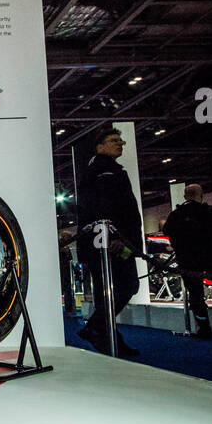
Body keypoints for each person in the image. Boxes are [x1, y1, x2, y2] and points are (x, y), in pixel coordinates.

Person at [75, 126, 143, 356]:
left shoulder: (110, 170)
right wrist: (115, 238)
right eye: (114, 140)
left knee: (116, 289)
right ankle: (98, 328)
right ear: (100, 146)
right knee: (125, 286)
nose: (120, 144)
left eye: (120, 141)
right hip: (109, 242)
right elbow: (101, 209)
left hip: (115, 241)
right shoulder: (100, 171)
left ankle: (103, 331)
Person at [161, 184, 212, 338]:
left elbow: (167, 231)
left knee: (196, 295)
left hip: (188, 260)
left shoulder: (177, 214)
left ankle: (203, 328)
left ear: (184, 196)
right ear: (201, 194)